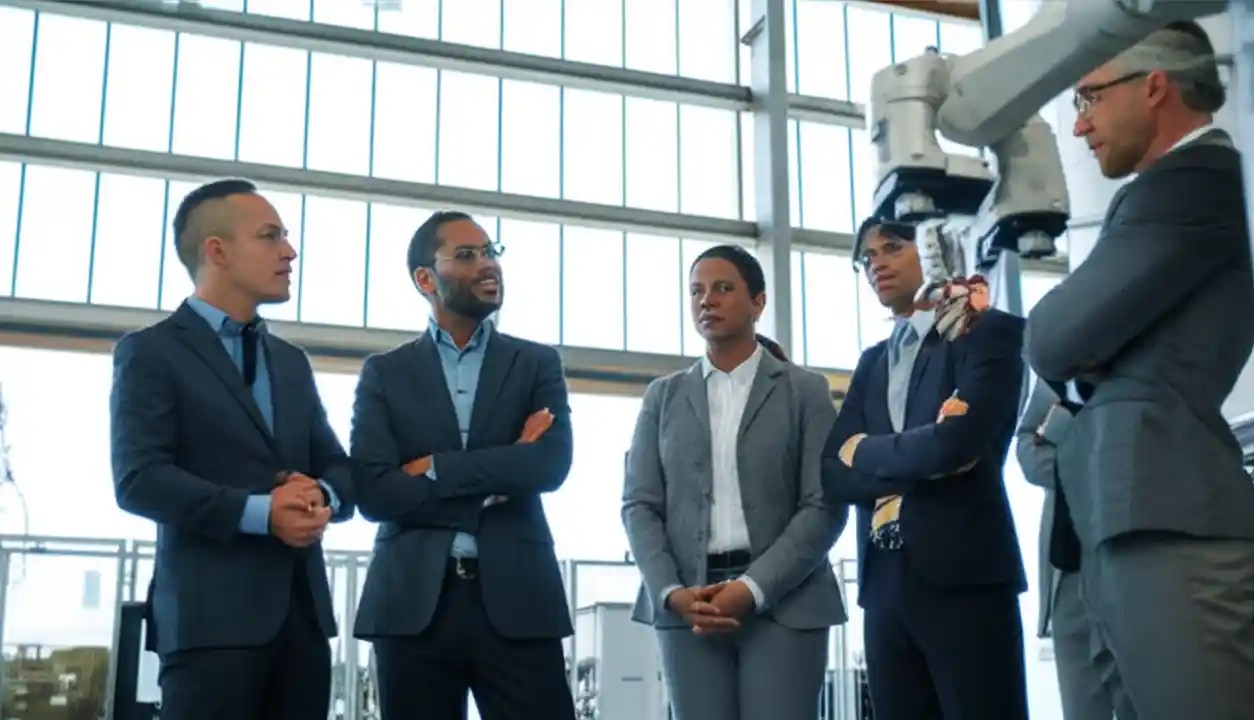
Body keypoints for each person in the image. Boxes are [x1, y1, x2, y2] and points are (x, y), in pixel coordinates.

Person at [1026, 21, 1254, 719]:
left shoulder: (1195, 180)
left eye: (1088, 99)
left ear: (1154, 85)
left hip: (1170, 520)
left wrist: (1080, 358)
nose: (1079, 128)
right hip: (1130, 516)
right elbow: (1073, 349)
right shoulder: (1163, 196)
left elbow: (1052, 338)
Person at [109, 178, 355, 720]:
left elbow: (339, 466)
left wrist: (321, 492)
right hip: (208, 626)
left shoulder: (291, 362)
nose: (289, 251)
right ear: (216, 251)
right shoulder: (150, 353)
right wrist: (262, 514)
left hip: (303, 621)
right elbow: (139, 479)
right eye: (270, 236)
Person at [349, 211, 575, 720]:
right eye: (467, 255)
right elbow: (374, 491)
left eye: (491, 251)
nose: (487, 265)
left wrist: (435, 469)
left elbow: (548, 466)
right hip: (412, 606)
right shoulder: (385, 373)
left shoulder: (536, 363)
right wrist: (502, 470)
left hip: (519, 599)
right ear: (425, 279)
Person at [621, 244, 847, 720]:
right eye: (697, 291)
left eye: (723, 288)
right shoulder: (663, 397)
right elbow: (639, 504)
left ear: (758, 302)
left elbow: (823, 505)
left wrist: (752, 588)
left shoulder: (804, 391)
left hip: (785, 603)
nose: (707, 301)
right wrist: (670, 592)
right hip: (689, 608)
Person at [821, 217, 1029, 720]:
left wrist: (866, 450)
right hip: (884, 586)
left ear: (937, 252)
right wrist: (921, 450)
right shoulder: (871, 362)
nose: (877, 264)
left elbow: (955, 445)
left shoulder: (986, 333)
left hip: (965, 575)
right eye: (867, 258)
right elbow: (832, 468)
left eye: (891, 248)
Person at [1015, 378, 1114, 720]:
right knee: (1081, 705)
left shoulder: (1139, 355)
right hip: (1067, 565)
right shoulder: (1056, 373)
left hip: (1131, 557)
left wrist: (1068, 451)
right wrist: (1077, 467)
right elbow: (1027, 446)